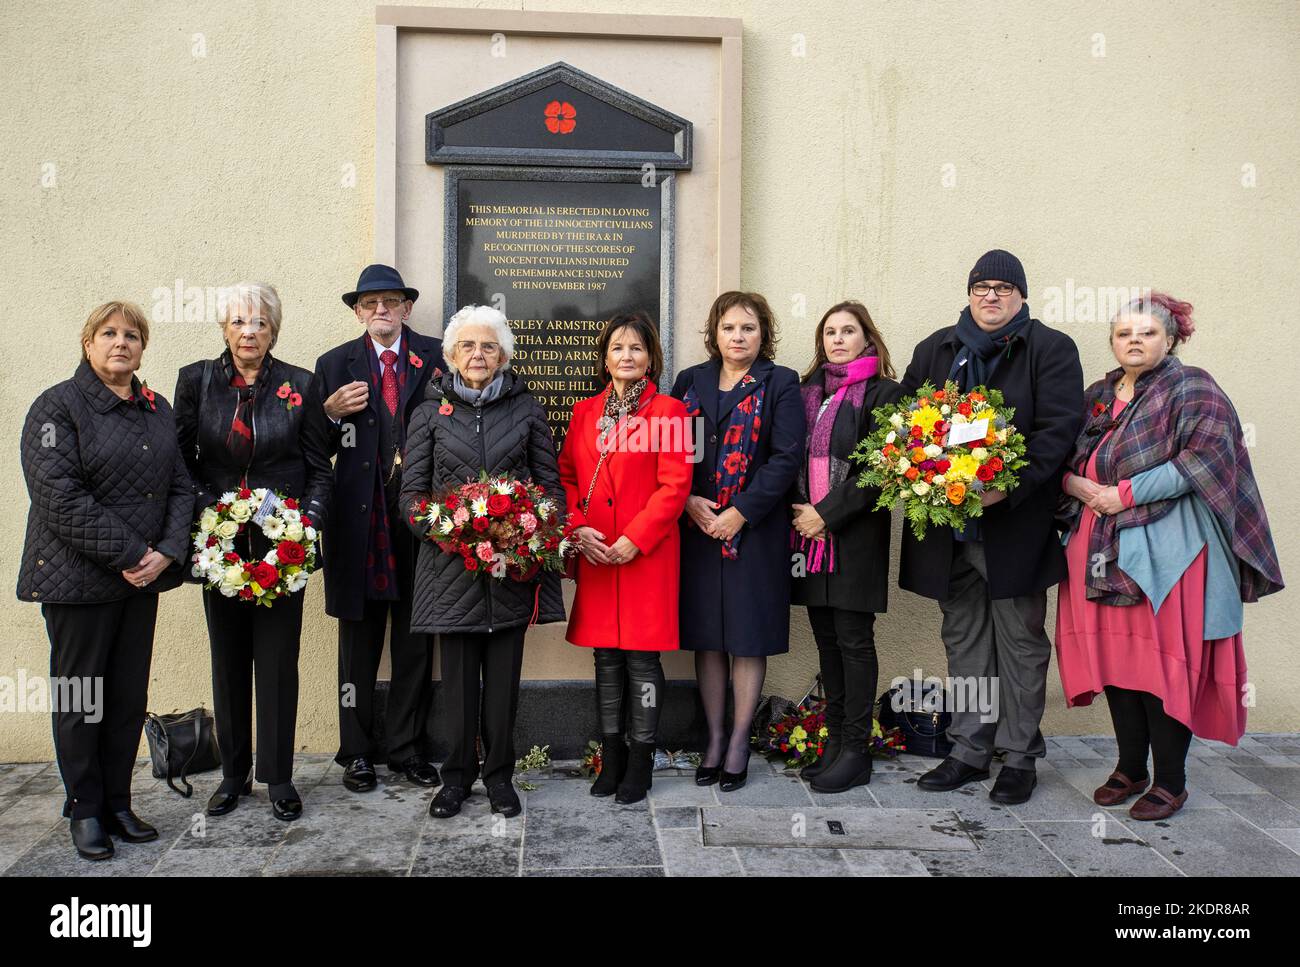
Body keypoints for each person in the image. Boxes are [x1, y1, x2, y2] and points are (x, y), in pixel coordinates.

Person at [1056, 293, 1282, 820]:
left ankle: (1171, 781)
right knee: (1115, 662)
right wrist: (1078, 485)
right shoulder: (1097, 395)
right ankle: (1130, 766)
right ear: (1112, 341)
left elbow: (1203, 457)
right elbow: (1061, 458)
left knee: (1160, 665)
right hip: (1095, 544)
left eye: (1147, 333)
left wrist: (1124, 495)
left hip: (1168, 548)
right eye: (1123, 334)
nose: (1134, 341)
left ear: (1171, 338)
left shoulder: (1192, 387)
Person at [900, 250, 1084, 805]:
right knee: (965, 644)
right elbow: (907, 422)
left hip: (1013, 529)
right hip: (948, 531)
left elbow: (1058, 430)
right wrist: (918, 473)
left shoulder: (1049, 349)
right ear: (969, 292)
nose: (991, 296)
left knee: (1021, 644)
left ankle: (1020, 756)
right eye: (981, 286)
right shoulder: (937, 348)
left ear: (1021, 295)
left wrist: (1010, 486)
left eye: (1003, 287)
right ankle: (969, 751)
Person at [18, 301, 193, 861]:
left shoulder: (155, 407)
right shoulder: (56, 408)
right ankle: (85, 808)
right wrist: (132, 552)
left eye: (133, 335)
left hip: (139, 582)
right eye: (109, 333)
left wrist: (166, 553)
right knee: (82, 699)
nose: (122, 343)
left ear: (143, 347)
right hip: (77, 582)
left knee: (124, 697)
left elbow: (181, 488)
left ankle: (119, 801)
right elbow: (59, 496)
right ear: (88, 342)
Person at [174, 282, 332, 822]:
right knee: (229, 661)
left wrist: (305, 525)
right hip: (220, 546)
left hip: (281, 548)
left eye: (260, 323)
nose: (249, 332)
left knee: (278, 663)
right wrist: (209, 517)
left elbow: (319, 467)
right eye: (239, 322)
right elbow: (180, 464)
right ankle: (234, 775)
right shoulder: (195, 381)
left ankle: (280, 777)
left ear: (273, 330)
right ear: (223, 328)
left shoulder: (300, 383)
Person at [401, 305, 565, 819]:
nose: (478, 354)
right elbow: (410, 497)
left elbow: (550, 490)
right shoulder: (428, 413)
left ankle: (499, 778)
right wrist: (456, 531)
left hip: (509, 571)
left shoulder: (528, 411)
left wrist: (523, 530)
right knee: (456, 686)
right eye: (468, 346)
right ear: (450, 356)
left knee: (502, 684)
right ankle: (454, 780)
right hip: (449, 573)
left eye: (488, 346)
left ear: (503, 356)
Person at [314, 265, 444, 794]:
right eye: (370, 304)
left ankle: (407, 750)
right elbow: (309, 452)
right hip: (357, 524)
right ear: (357, 312)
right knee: (358, 644)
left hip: (419, 520)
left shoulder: (437, 356)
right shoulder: (333, 364)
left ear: (407, 308)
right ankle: (357, 753)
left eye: (390, 301)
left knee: (416, 642)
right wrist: (326, 415)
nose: (380, 311)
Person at [671, 292, 803, 792]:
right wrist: (688, 500)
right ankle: (714, 736)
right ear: (715, 332)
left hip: (756, 531)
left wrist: (740, 512)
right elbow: (677, 453)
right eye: (729, 328)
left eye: (748, 328)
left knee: (747, 637)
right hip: (699, 529)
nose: (738, 337)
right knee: (708, 637)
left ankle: (740, 741)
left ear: (762, 333)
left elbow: (785, 458)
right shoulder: (691, 382)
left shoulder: (780, 383)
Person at [559, 311, 692, 804]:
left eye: (636, 348)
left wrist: (636, 537)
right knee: (606, 657)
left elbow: (675, 485)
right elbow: (567, 478)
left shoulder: (670, 412)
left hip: (645, 554)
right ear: (605, 357)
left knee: (641, 658)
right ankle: (611, 757)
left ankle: (641, 760)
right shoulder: (584, 412)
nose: (627, 356)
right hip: (596, 551)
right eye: (617, 348)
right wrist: (578, 528)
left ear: (650, 356)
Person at [790, 301, 901, 793]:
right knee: (827, 640)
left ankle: (857, 751)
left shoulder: (884, 395)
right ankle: (834, 743)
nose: (837, 339)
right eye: (830, 332)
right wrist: (803, 512)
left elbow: (882, 469)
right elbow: (789, 455)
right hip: (808, 539)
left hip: (854, 538)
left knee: (855, 641)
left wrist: (826, 514)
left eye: (848, 331)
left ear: (866, 339)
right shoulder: (805, 394)